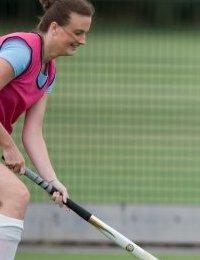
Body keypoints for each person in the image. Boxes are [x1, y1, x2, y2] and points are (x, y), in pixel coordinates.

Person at [0, 0, 94, 258]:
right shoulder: (22, 51)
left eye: (85, 33)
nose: (83, 40)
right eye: (77, 32)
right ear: (54, 27)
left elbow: (33, 133)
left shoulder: (48, 72)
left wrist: (52, 181)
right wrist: (8, 147)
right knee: (16, 195)